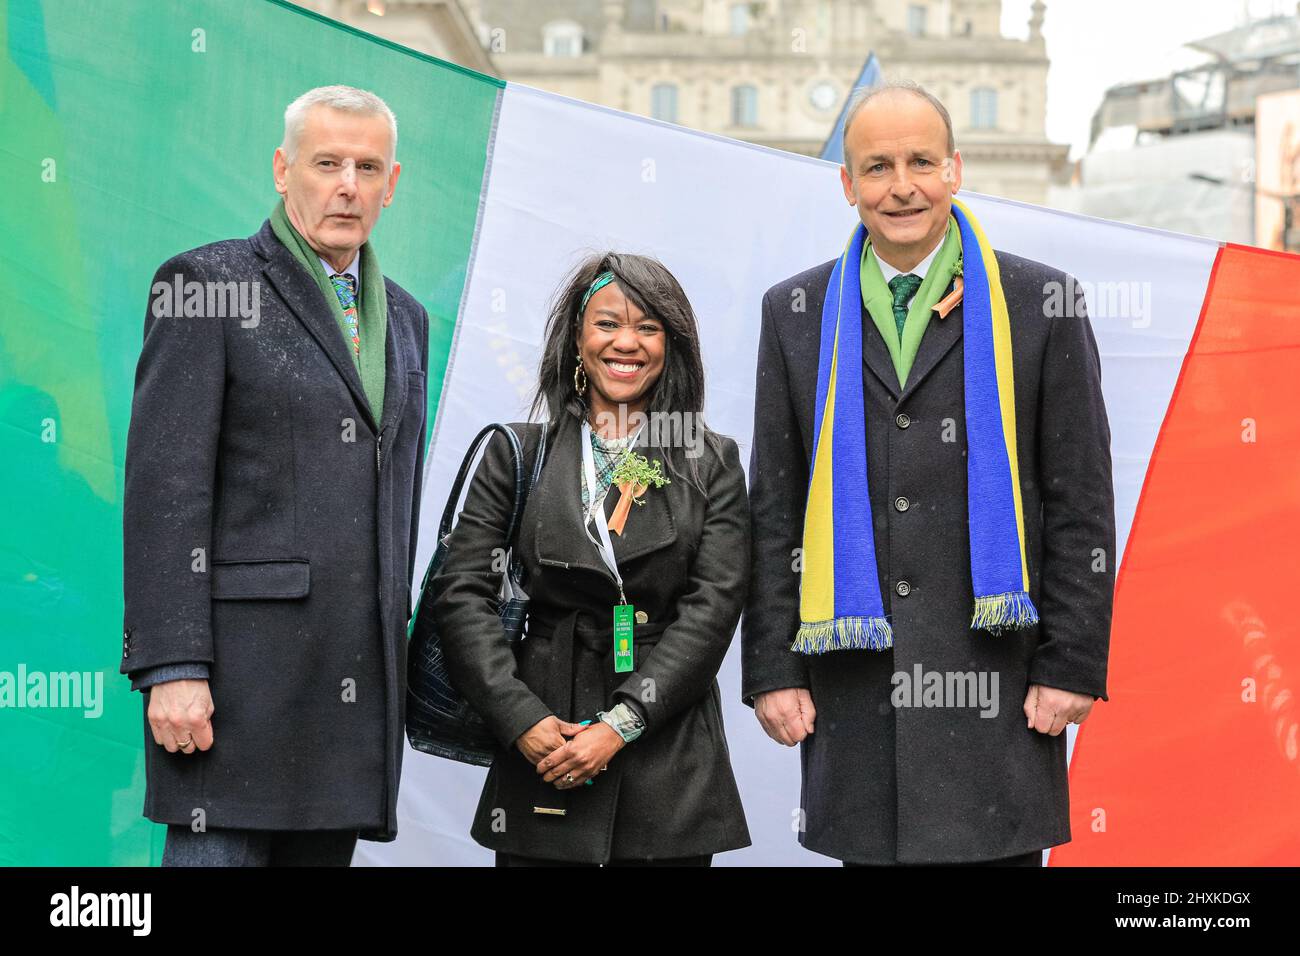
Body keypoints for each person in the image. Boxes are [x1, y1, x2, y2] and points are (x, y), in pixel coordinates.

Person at [743, 81, 1116, 866]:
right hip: (856, 701)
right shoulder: (795, 312)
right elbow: (775, 507)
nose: (900, 185)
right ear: (847, 184)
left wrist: (1072, 663)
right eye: (877, 167)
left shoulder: (1042, 302)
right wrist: (772, 669)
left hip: (1004, 698)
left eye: (920, 161)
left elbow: (1079, 498)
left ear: (955, 168)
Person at [121, 85, 429, 866]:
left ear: (392, 185)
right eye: (327, 163)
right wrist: (174, 667)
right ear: (282, 169)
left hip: (350, 700)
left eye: (368, 166)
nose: (348, 185)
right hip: (233, 695)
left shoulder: (407, 318)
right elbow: (166, 490)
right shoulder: (205, 284)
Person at [431, 254, 751, 866]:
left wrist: (622, 724)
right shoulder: (517, 454)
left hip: (667, 750)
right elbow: (462, 593)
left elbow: (712, 610)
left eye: (649, 327)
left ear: (672, 344)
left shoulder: (711, 461)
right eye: (607, 324)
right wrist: (521, 719)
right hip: (544, 743)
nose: (626, 343)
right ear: (577, 339)